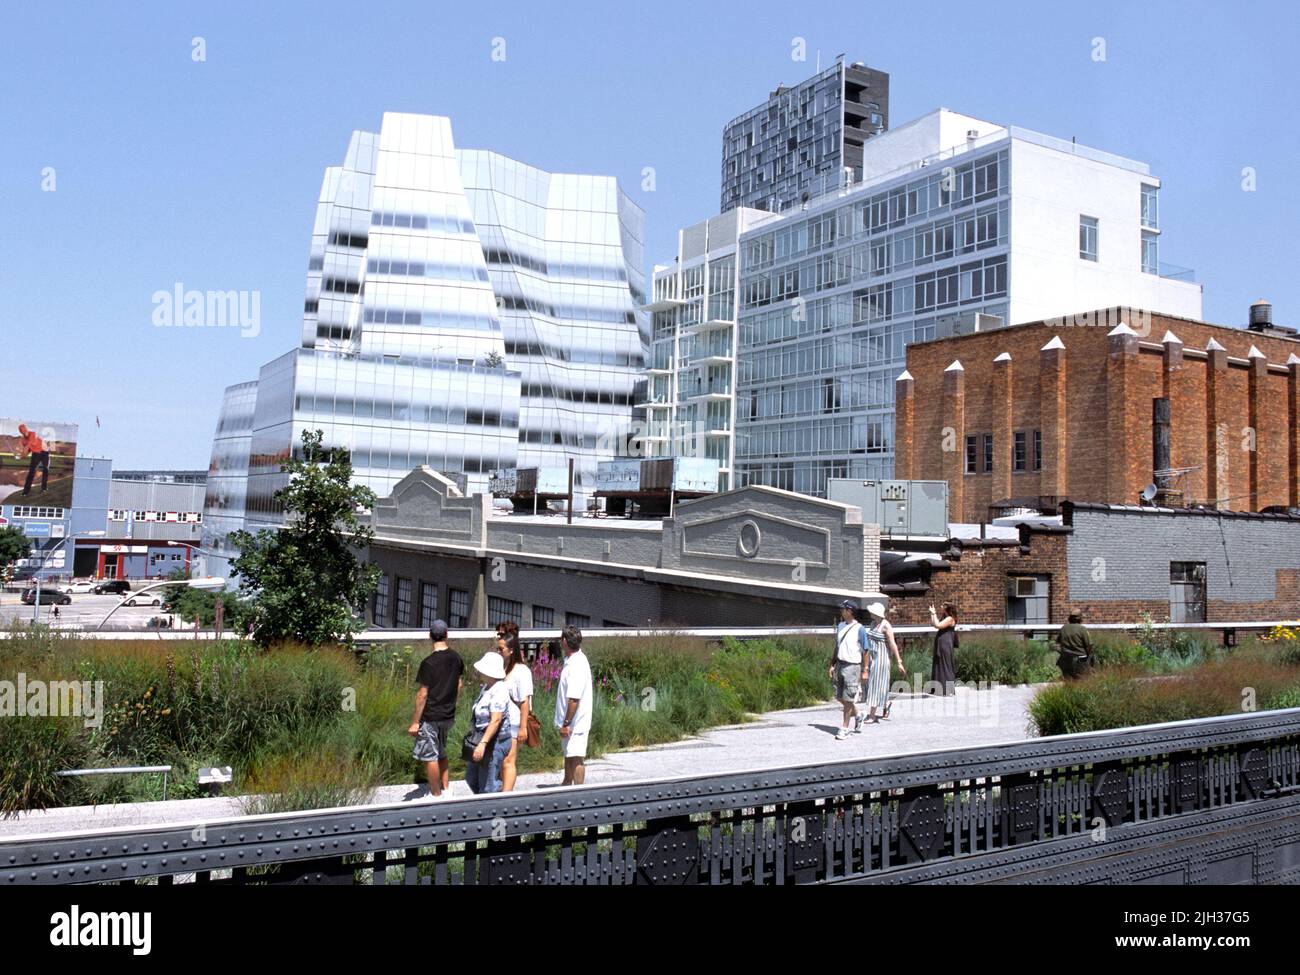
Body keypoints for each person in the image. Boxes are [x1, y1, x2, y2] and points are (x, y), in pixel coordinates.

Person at [407, 620, 464, 799]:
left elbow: (422, 694)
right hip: (448, 715)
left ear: (430, 636)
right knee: (442, 751)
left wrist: (415, 722)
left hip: (431, 716)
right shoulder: (456, 658)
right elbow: (459, 684)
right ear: (447, 634)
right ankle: (446, 788)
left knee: (430, 756)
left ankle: (436, 794)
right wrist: (451, 703)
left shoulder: (428, 663)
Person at [466, 652, 517, 794]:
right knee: (471, 778)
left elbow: (496, 720)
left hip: (494, 741)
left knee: (488, 784)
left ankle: (494, 809)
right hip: (482, 738)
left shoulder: (499, 690)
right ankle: (484, 804)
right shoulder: (487, 688)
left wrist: (483, 744)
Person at [554, 624, 592, 786]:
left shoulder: (577, 665)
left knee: (576, 757)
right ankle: (566, 783)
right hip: (570, 723)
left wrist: (566, 723)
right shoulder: (572, 660)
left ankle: (578, 792)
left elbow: (574, 700)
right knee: (569, 754)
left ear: (564, 641)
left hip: (575, 723)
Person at [497, 628, 533, 792]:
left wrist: (523, 728)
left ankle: (506, 796)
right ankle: (502, 790)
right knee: (500, 760)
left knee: (509, 760)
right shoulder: (502, 668)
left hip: (514, 722)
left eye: (501, 649)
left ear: (511, 650)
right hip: (500, 721)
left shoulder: (521, 671)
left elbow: (524, 701)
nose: (499, 651)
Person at [828, 600, 869, 740]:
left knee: (848, 697)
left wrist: (865, 670)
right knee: (839, 697)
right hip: (840, 664)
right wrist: (832, 664)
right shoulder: (840, 626)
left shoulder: (860, 629)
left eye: (843, 609)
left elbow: (866, 650)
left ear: (850, 611)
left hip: (853, 666)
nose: (841, 611)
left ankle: (844, 728)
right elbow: (837, 646)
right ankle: (858, 714)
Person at [862, 602, 905, 722]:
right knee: (875, 684)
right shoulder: (873, 624)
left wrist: (899, 661)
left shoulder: (886, 626)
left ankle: (872, 715)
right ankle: (886, 704)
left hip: (881, 659)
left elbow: (892, 644)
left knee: (876, 685)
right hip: (872, 657)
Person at [927, 602, 959, 696]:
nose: (941, 606)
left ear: (947, 608)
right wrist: (932, 613)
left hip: (946, 644)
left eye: (943, 605)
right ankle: (937, 688)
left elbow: (938, 625)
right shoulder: (945, 617)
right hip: (941, 642)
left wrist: (933, 613)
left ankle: (947, 689)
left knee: (945, 664)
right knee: (938, 663)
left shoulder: (950, 618)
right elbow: (934, 624)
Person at [1055, 610, 1095, 680]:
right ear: (1080, 619)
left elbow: (1057, 643)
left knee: (1068, 680)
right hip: (1080, 659)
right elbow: (1089, 645)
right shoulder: (1082, 629)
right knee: (1082, 680)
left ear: (1069, 619)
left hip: (1065, 660)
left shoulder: (1064, 628)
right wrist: (1089, 657)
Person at [16, 424, 50, 496]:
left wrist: (22, 451)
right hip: (36, 454)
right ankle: (25, 492)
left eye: (25, 429)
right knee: (31, 472)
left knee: (45, 470)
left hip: (44, 452)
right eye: (22, 431)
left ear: (26, 429)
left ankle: (44, 488)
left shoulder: (33, 434)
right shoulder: (23, 440)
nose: (24, 431)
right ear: (20, 432)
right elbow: (27, 453)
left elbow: (31, 444)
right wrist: (20, 455)